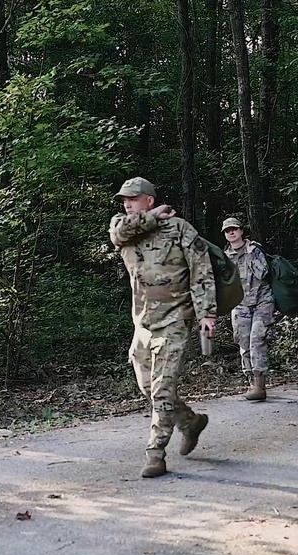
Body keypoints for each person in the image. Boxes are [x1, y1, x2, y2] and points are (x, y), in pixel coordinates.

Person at [109, 177, 214, 479]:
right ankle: (190, 422)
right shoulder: (124, 227)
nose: (127, 204)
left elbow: (201, 272)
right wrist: (150, 219)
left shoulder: (180, 229)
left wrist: (207, 313)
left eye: (133, 198)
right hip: (142, 324)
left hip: (175, 319)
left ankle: (155, 454)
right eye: (124, 199)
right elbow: (118, 234)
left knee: (162, 390)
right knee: (147, 387)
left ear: (149, 199)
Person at [222, 217, 274, 402]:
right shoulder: (225, 256)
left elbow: (264, 273)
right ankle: (251, 381)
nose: (231, 233)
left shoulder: (255, 249)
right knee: (243, 343)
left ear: (241, 231)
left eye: (234, 229)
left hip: (261, 301)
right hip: (240, 304)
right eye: (228, 231)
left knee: (257, 340)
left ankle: (260, 385)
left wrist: (249, 257)